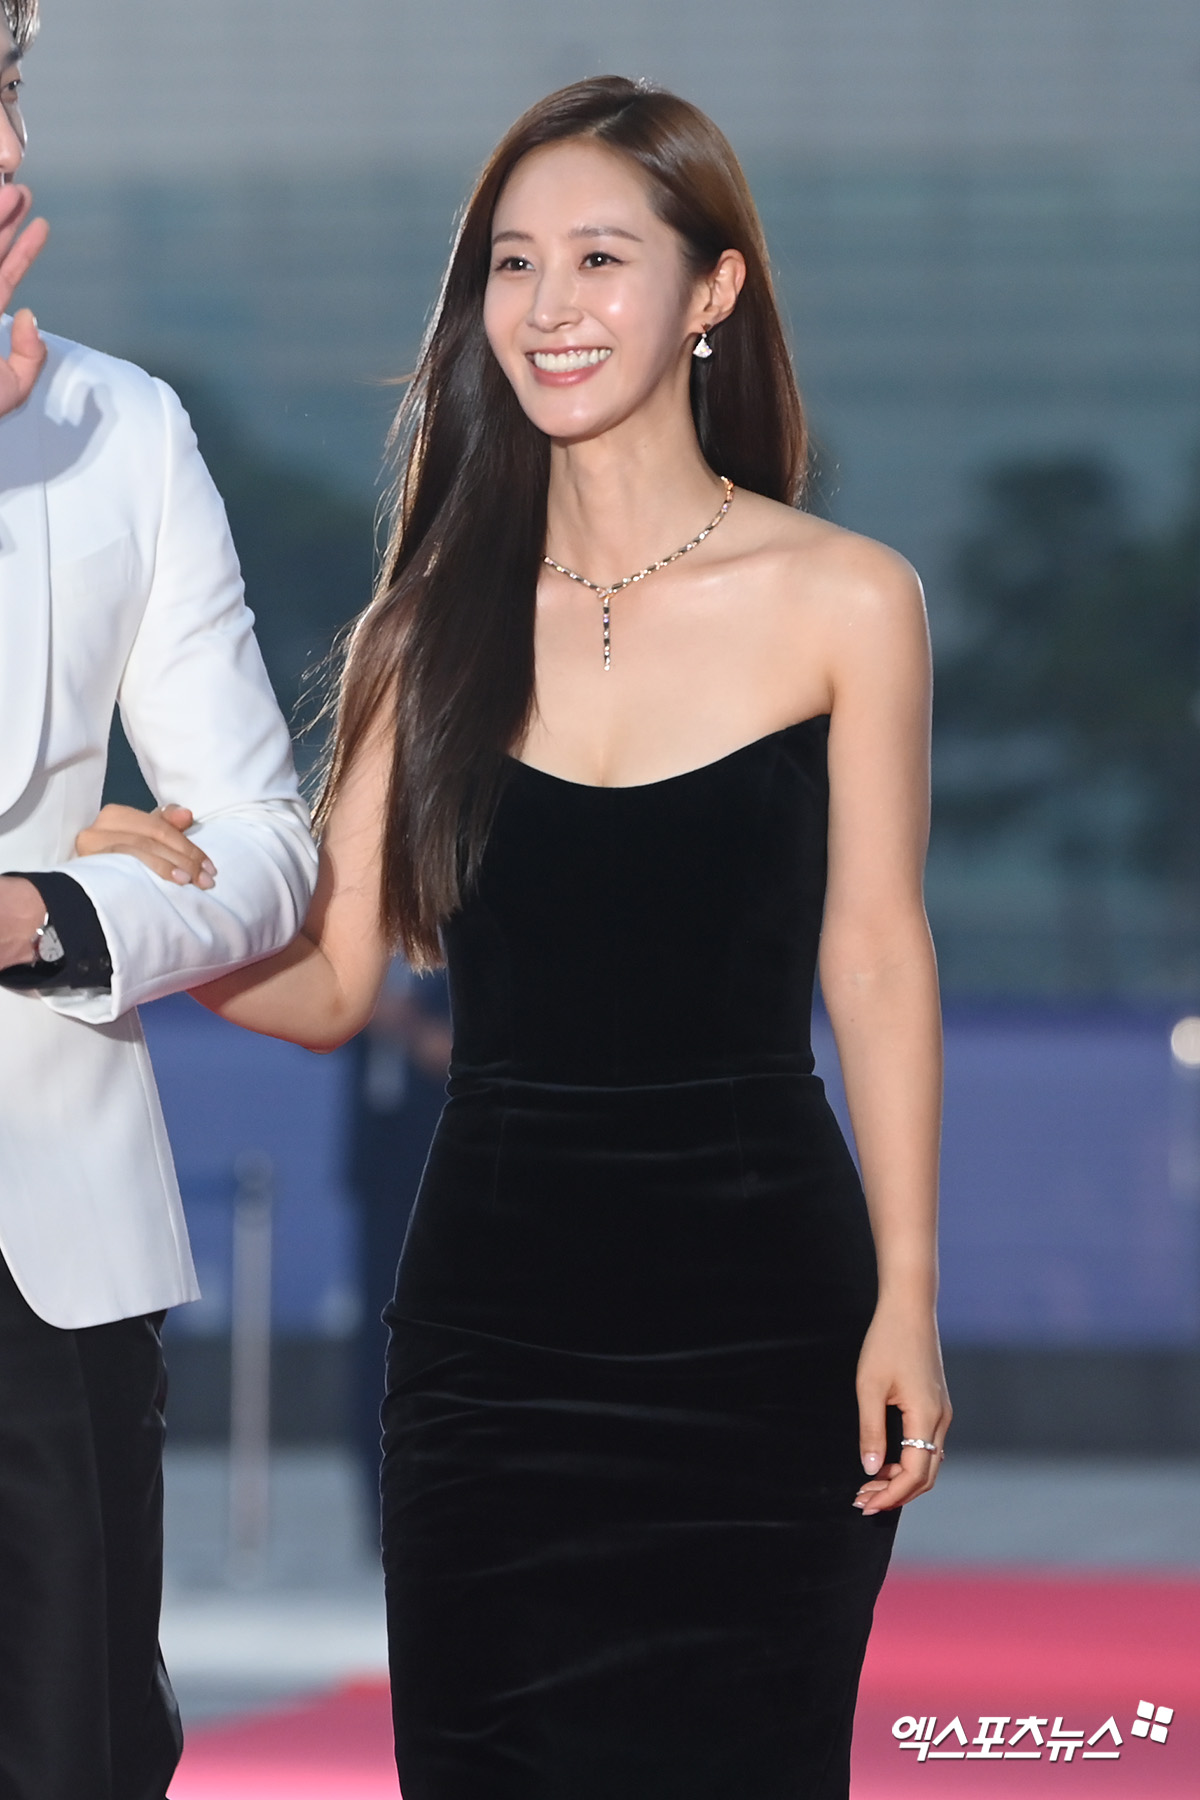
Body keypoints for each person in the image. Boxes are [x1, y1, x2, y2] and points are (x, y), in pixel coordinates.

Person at [92, 75, 951, 1800]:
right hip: (495, 1342)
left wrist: (911, 1293)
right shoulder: (427, 631)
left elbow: (875, 958)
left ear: (712, 291)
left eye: (602, 258)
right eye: (512, 262)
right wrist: (139, 906)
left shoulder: (849, 600)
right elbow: (333, 979)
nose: (550, 305)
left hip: (764, 1323)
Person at [0, 7, 318, 1797]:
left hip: (45, 1268)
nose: (8, 152)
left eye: (10, 93)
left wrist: (48, 912)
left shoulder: (119, 427)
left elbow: (264, 844)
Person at [344, 958, 451, 1508]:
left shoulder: (467, 934)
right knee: (380, 1336)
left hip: (448, 1161)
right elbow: (313, 1026)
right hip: (381, 1170)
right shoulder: (367, 939)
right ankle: (380, 1497)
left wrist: (410, 1025)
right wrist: (357, 1011)